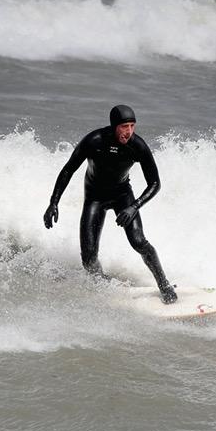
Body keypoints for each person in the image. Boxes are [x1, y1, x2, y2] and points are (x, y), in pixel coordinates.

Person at [44, 105, 177, 304]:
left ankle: (164, 284)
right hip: (94, 198)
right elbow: (68, 170)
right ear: (114, 126)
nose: (129, 131)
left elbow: (155, 183)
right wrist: (53, 203)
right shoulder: (94, 141)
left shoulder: (137, 146)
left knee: (139, 242)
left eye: (132, 126)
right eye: (124, 126)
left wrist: (134, 206)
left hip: (122, 195)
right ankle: (102, 285)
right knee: (88, 260)